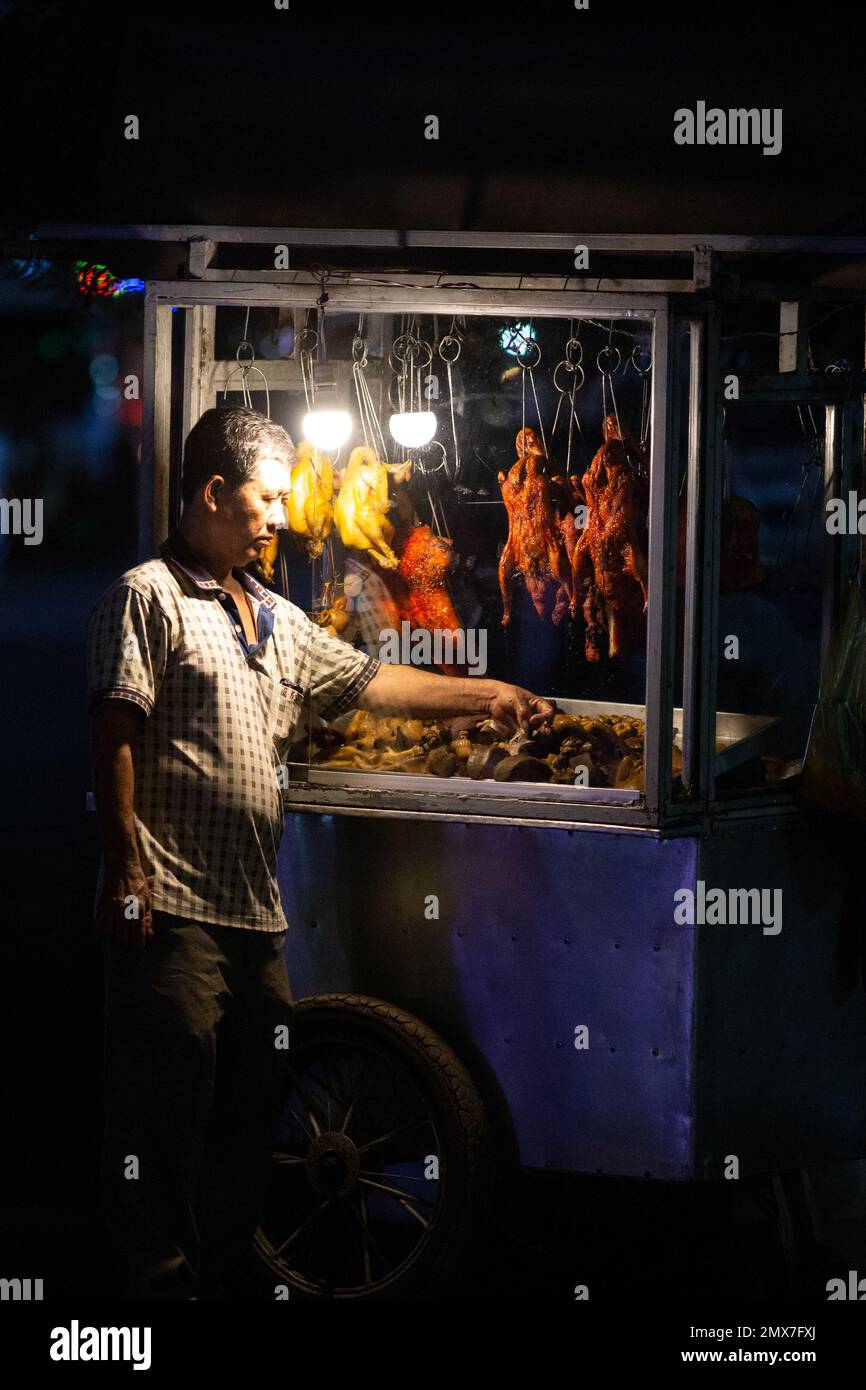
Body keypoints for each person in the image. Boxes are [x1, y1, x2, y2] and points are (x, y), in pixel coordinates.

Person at [86, 405, 554, 1301]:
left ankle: (219, 1278)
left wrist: (484, 693)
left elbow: (372, 680)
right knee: (164, 1112)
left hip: (254, 917)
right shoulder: (144, 597)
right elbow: (113, 731)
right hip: (172, 911)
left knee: (251, 1106)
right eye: (265, 499)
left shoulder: (271, 613)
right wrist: (127, 870)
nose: (279, 516)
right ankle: (153, 1296)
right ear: (214, 493)